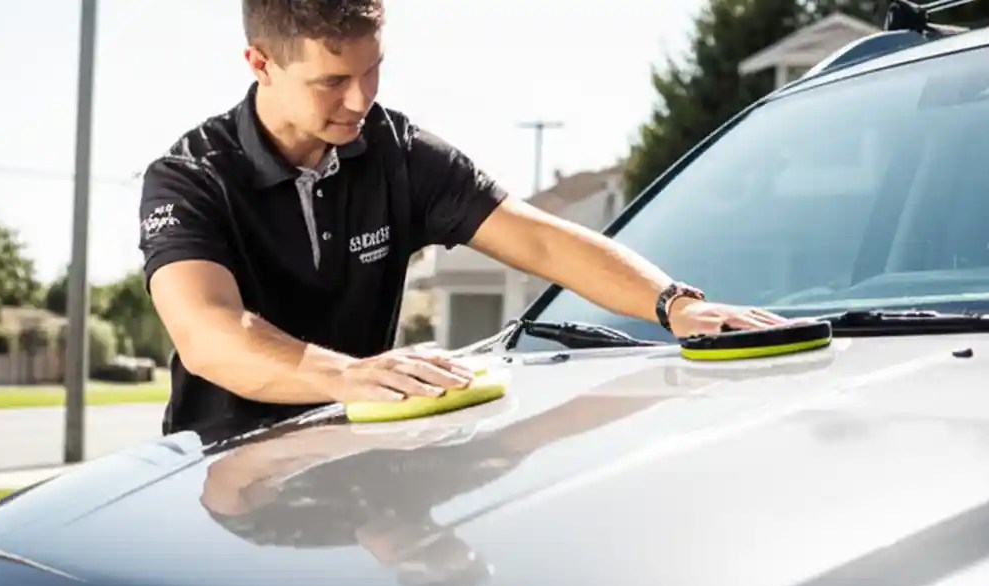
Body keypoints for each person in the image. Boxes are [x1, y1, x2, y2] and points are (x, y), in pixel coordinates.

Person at [139, 0, 788, 437]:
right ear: (261, 63)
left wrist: (672, 303)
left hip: (355, 465)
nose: (361, 98)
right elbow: (210, 333)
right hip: (216, 486)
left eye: (374, 70)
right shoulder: (191, 178)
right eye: (332, 80)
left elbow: (538, 238)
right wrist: (348, 377)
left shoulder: (397, 154)